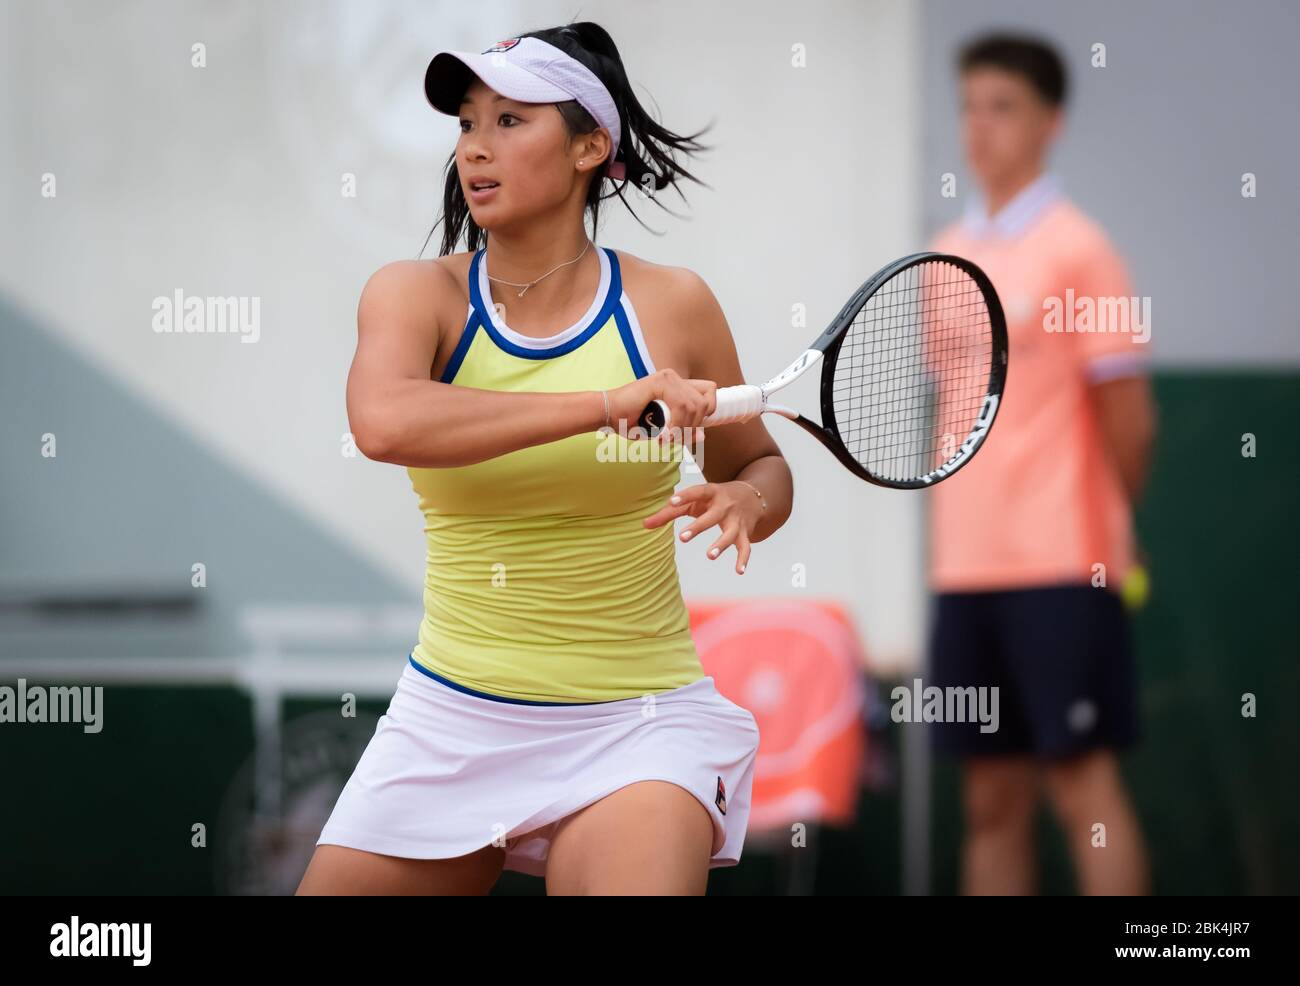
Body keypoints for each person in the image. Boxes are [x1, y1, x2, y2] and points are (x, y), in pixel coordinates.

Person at [296, 22, 792, 895]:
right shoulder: (413, 295)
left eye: (510, 121)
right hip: (449, 717)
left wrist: (750, 500)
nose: (474, 148)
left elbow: (761, 466)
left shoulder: (673, 304)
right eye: (465, 123)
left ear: (590, 147)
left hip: (637, 727)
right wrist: (604, 404)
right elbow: (383, 422)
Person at [926, 33, 1157, 894]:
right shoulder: (944, 255)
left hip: (1067, 564)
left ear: (1050, 122)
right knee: (989, 800)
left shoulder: (1082, 249)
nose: (979, 126)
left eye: (1003, 107)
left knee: (1081, 787)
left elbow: (1131, 423)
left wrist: (1106, 525)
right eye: (969, 106)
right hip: (963, 569)